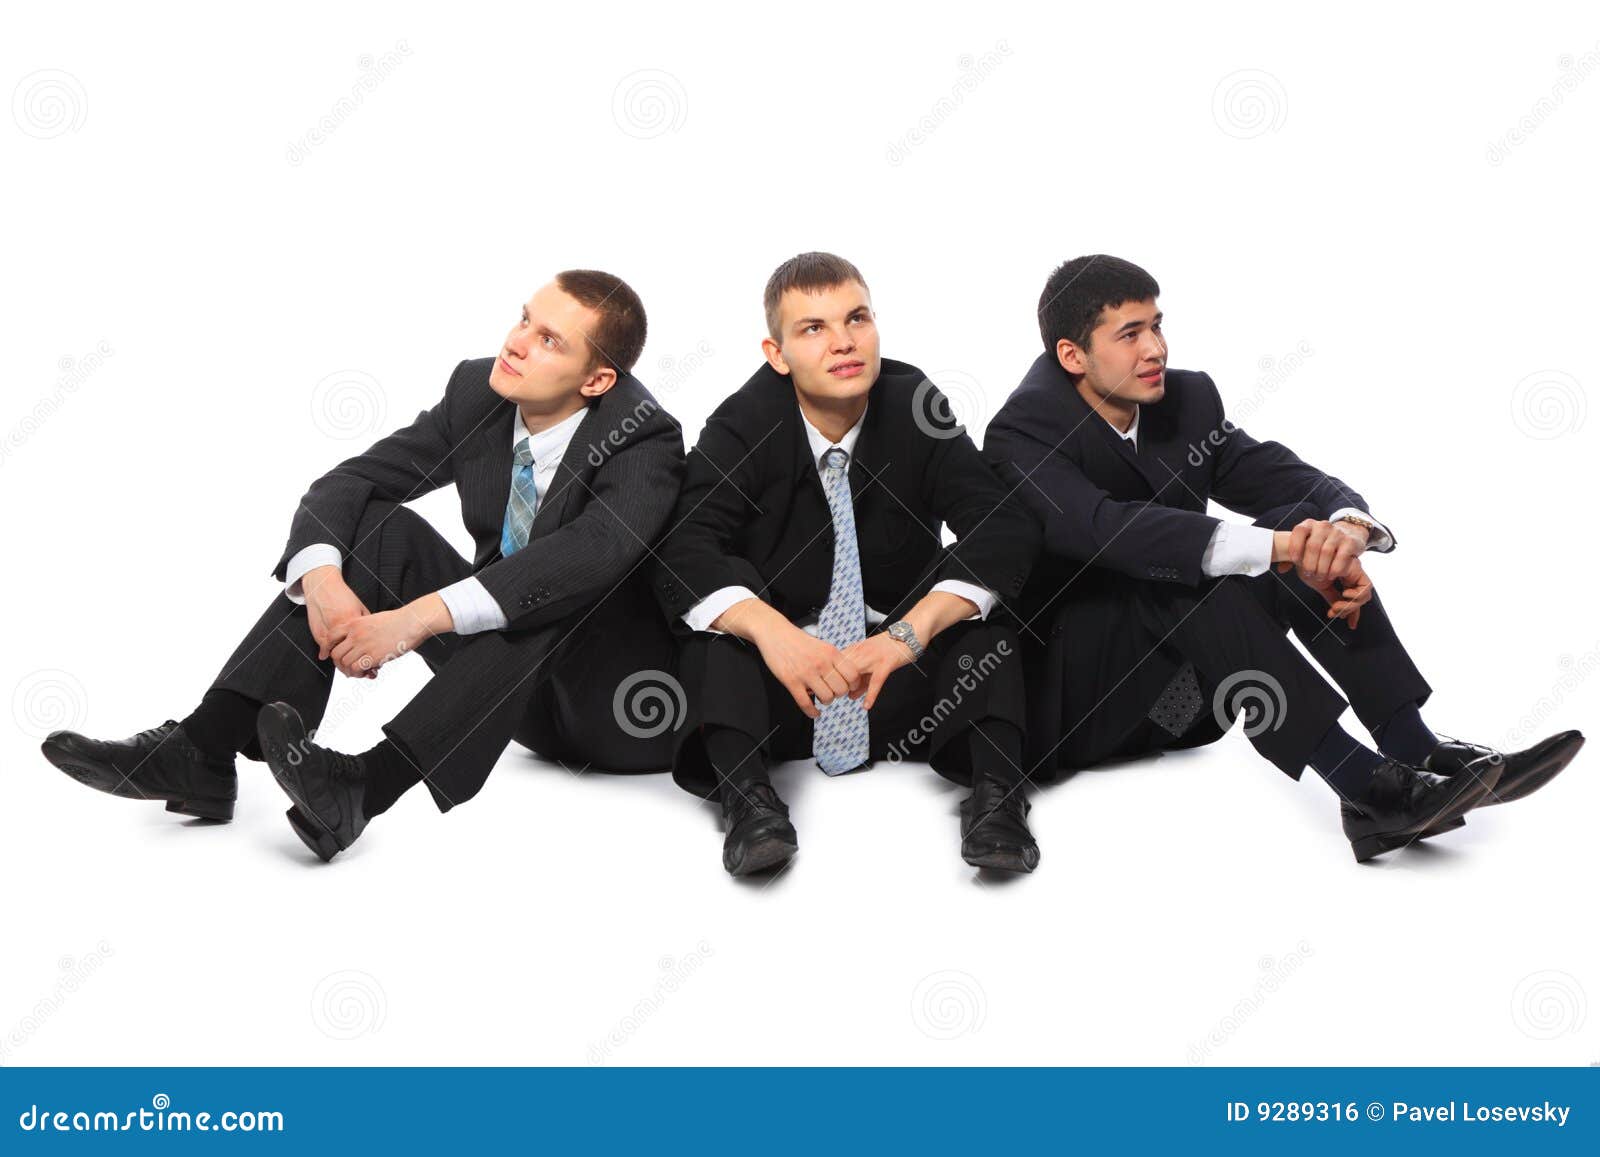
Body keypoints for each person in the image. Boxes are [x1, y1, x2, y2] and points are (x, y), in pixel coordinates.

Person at [42, 270, 686, 861]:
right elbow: (351, 483)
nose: (516, 343)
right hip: (508, 697)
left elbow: (591, 552)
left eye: (549, 340)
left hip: (618, 708)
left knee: (549, 589)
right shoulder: (480, 393)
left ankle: (367, 786)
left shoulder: (641, 434)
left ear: (597, 380)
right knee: (379, 529)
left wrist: (412, 621)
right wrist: (322, 582)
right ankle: (204, 750)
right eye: (523, 319)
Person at [983, 254, 1584, 861]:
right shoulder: (1022, 432)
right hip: (1085, 708)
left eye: (1158, 325)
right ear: (1072, 356)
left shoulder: (1186, 400)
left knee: (1285, 535)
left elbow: (1285, 480)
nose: (1156, 349)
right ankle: (1361, 785)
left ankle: (1413, 749)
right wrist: (1280, 548)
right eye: (1130, 334)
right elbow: (1107, 532)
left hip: (1182, 706)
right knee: (1196, 566)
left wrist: (1342, 533)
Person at [652, 252, 1043, 876]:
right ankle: (749, 802)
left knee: (986, 620)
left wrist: (905, 637)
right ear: (776, 353)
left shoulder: (911, 398)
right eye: (813, 328)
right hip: (786, 688)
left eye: (856, 318)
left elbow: (1002, 523)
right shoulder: (745, 419)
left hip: (898, 677)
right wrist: (774, 635)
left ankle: (997, 796)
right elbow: (683, 547)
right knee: (717, 635)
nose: (844, 343)